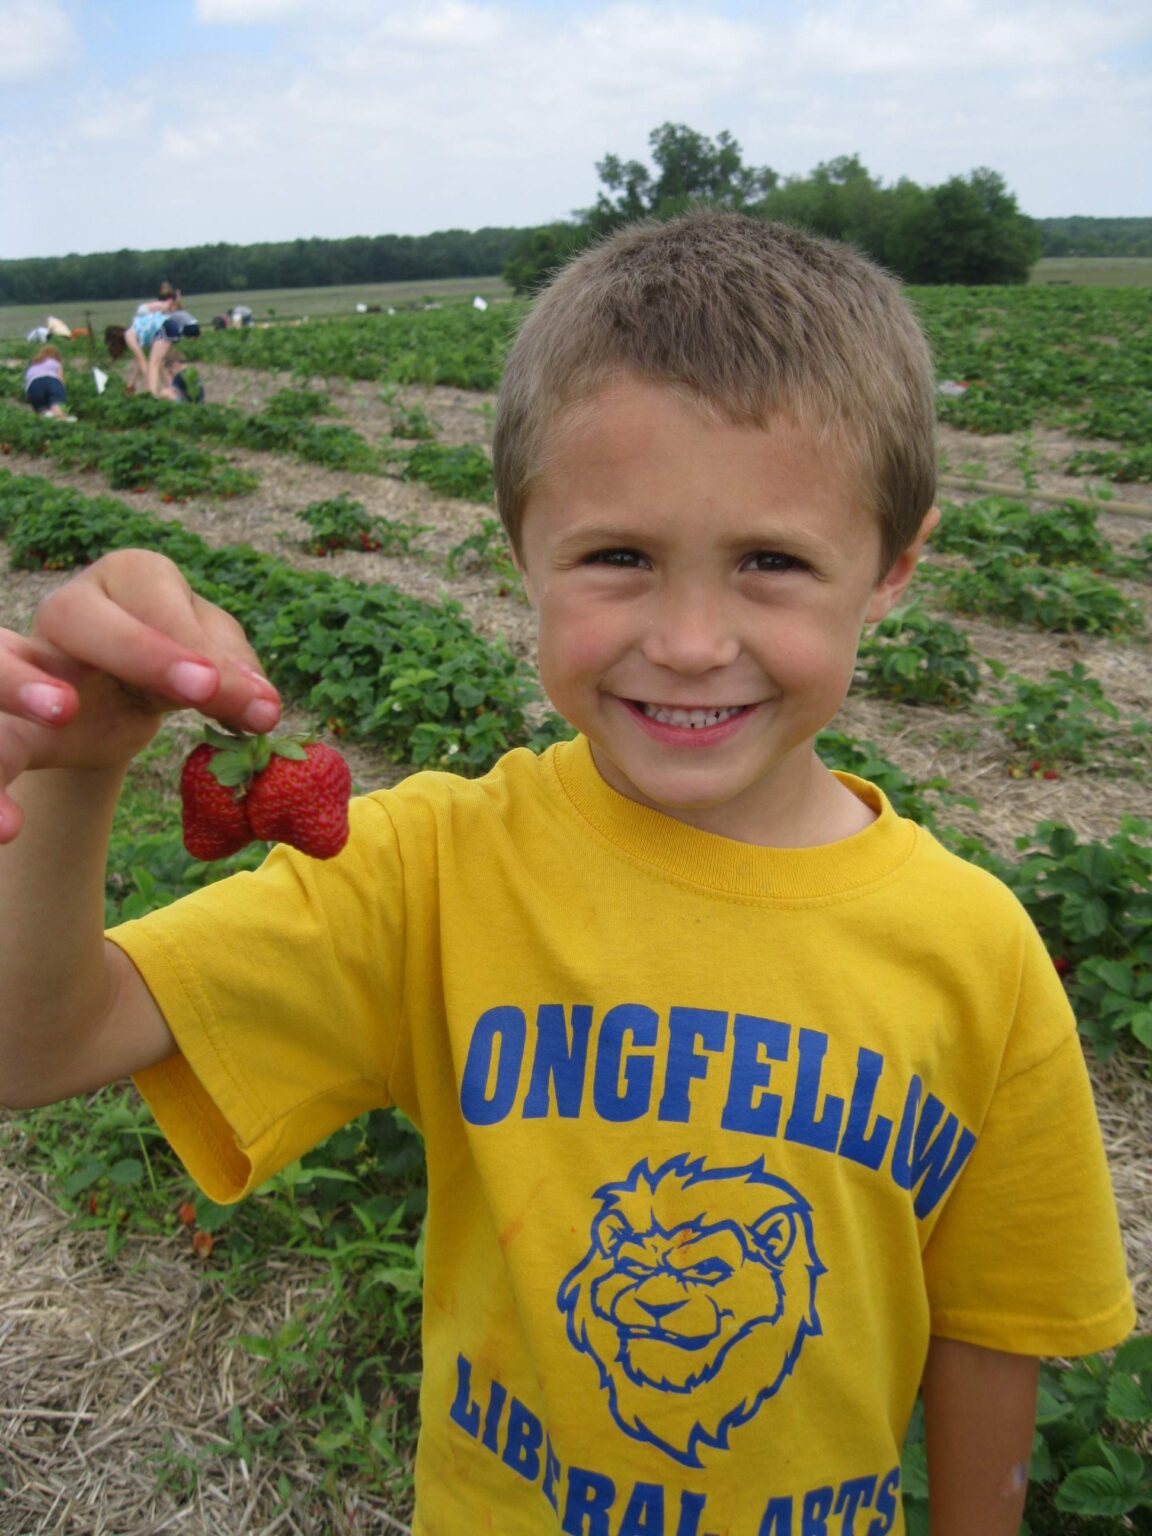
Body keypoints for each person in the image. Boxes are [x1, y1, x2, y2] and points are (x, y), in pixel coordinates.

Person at [0, 213, 1135, 1536]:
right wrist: (78, 771)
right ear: (519, 549)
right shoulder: (437, 868)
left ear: (892, 568)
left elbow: (993, 1328)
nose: (694, 641)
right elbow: (41, 1043)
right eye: (618, 558)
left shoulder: (977, 951)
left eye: (771, 562)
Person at [104, 283, 182, 395]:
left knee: (153, 364)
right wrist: (131, 384)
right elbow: (137, 364)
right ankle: (174, 391)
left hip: (164, 327)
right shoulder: (136, 330)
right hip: (171, 325)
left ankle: (153, 396)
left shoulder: (129, 336)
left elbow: (143, 363)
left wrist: (148, 386)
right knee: (159, 363)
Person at [22, 345, 75, 420]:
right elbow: (60, 379)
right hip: (52, 381)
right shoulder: (56, 362)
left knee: (42, 411)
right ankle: (62, 419)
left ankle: (47, 417)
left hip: (33, 385)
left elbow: (26, 382)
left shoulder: (32, 364)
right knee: (56, 406)